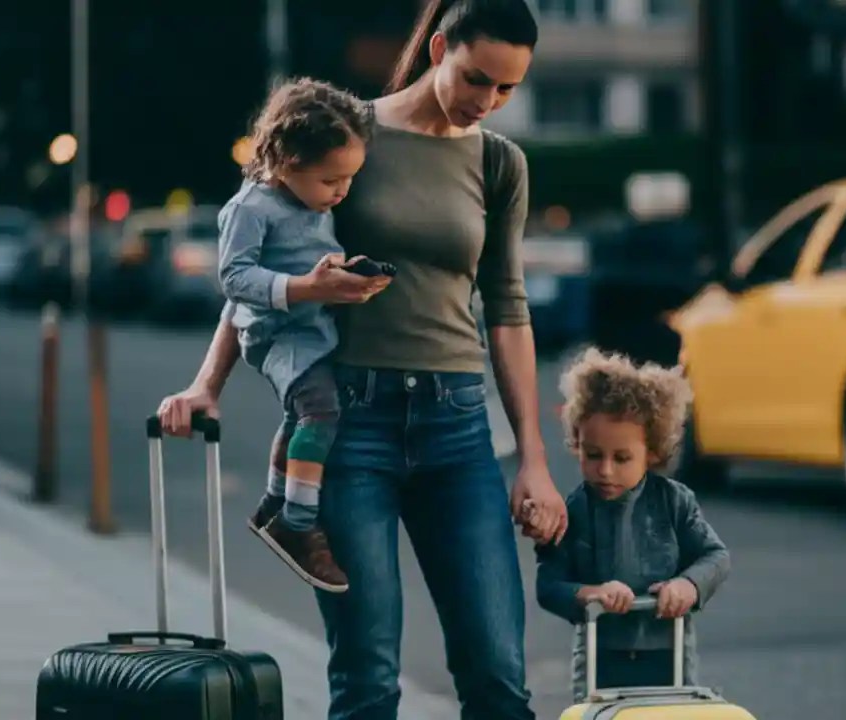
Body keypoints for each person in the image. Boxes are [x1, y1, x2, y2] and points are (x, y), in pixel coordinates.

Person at [157, 1, 567, 717]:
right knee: (368, 680)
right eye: (476, 78)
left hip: (458, 426)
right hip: (351, 426)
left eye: (508, 89)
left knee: (498, 675)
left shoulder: (501, 162)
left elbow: (507, 307)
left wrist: (533, 457)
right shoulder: (347, 135)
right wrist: (205, 383)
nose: (488, 102)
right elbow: (259, 265)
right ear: (440, 47)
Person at [218, 77, 374, 595]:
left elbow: (308, 257)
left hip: (309, 325)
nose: (341, 192)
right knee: (319, 411)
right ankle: (299, 526)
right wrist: (303, 286)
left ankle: (274, 503)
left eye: (349, 178)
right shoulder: (252, 209)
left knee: (298, 416)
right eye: (331, 180)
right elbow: (234, 277)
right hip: (276, 331)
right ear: (286, 162)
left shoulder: (315, 204)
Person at [534, 348, 731, 702]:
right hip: (601, 658)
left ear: (652, 451)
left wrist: (688, 585)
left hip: (667, 653)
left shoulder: (674, 501)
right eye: (593, 455)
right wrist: (591, 593)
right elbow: (549, 585)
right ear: (577, 443)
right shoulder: (573, 510)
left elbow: (715, 557)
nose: (606, 470)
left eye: (622, 458)